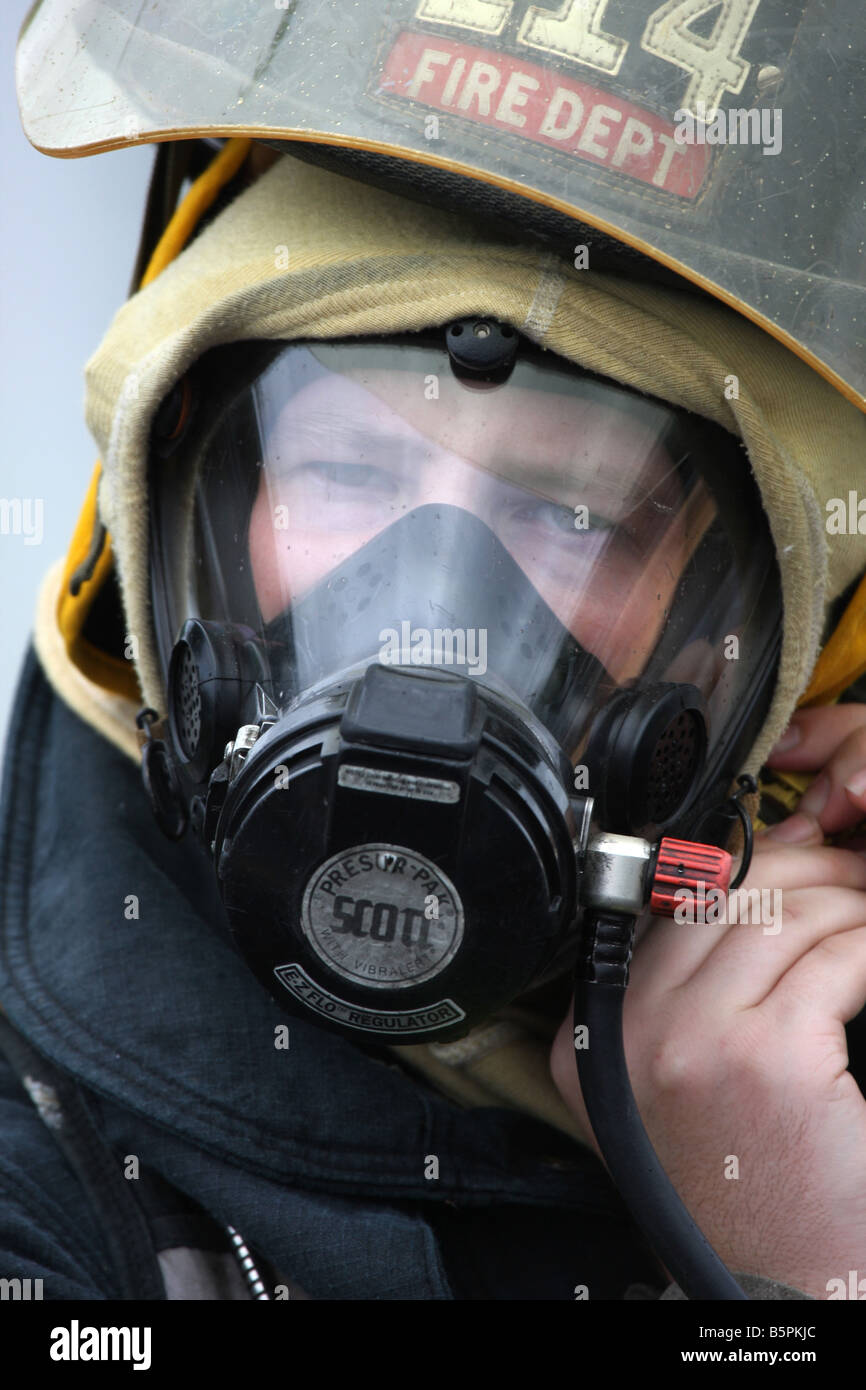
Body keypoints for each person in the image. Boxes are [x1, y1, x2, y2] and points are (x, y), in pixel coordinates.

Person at [2, 2, 865, 1303]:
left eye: (571, 512)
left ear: (776, 657)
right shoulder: (41, 1185)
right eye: (343, 466)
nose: (426, 608)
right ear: (168, 526)